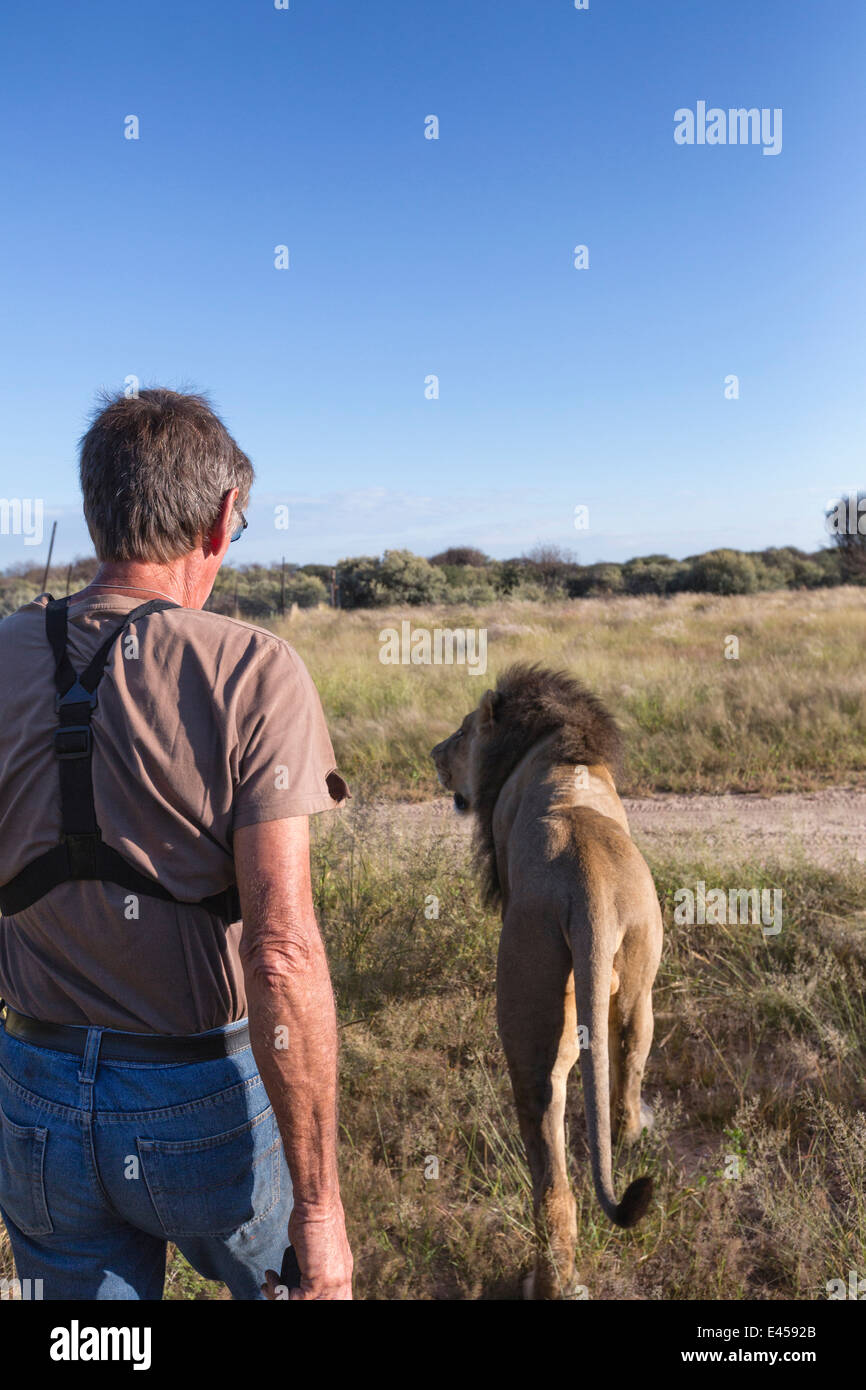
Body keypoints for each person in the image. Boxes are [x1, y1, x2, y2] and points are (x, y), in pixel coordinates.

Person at [0, 388, 353, 1300]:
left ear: (94, 508)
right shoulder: (252, 667)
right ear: (218, 522)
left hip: (33, 1091)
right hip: (197, 1097)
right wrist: (321, 1215)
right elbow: (280, 952)